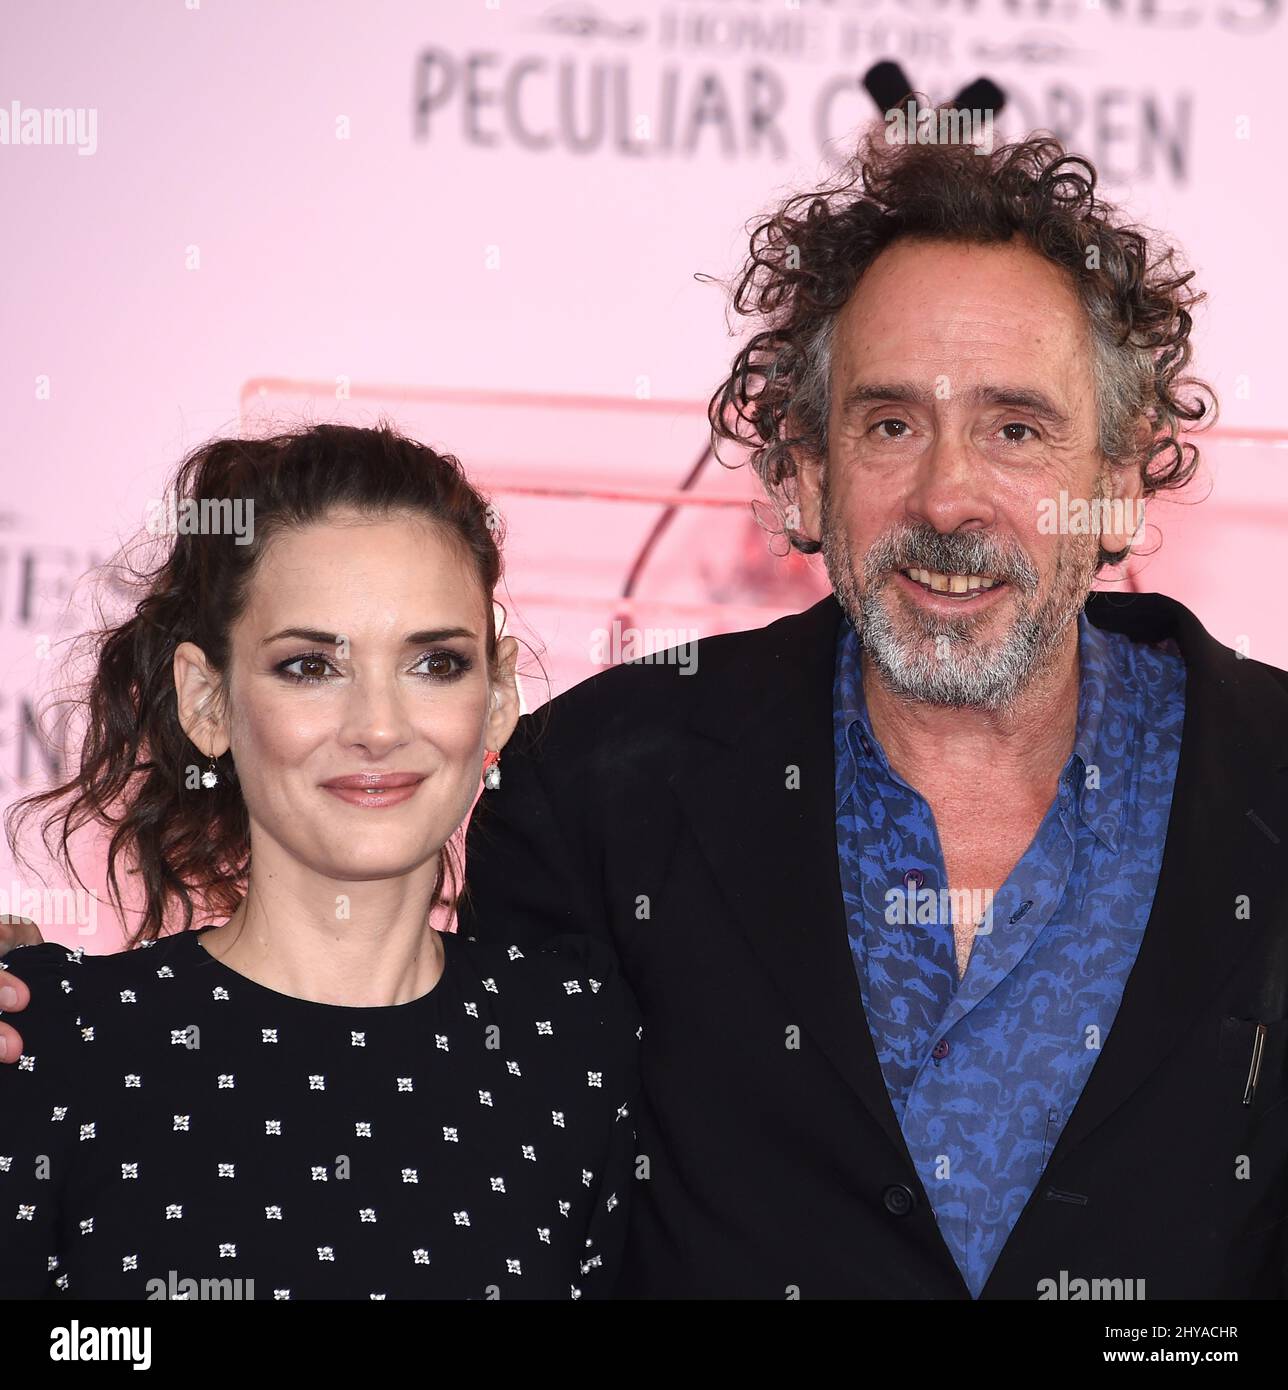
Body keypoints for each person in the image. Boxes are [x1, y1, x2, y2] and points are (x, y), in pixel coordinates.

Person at [443, 128, 1288, 1297]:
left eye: (1015, 429)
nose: (947, 495)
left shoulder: (1269, 782)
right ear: (801, 474)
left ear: (1121, 484)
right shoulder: (596, 790)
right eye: (889, 424)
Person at [0, 422, 639, 1300]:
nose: (378, 726)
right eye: (310, 666)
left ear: (496, 703)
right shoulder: (49, 1043)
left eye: (435, 663)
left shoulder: (580, 1042)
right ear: (207, 702)